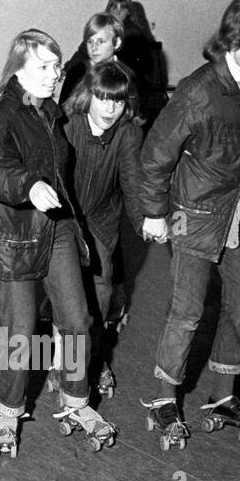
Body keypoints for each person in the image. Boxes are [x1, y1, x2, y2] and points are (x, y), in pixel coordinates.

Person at [0, 29, 117, 457]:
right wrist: (28, 184)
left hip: (56, 225)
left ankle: (76, 401)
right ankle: (8, 412)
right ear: (19, 69)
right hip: (14, 236)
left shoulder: (48, 109)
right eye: (45, 67)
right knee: (21, 330)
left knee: (77, 319)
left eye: (57, 66)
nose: (54, 75)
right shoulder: (3, 113)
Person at [138, 0, 240, 451]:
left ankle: (222, 396)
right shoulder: (197, 91)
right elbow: (155, 154)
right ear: (234, 40)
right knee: (187, 312)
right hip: (193, 216)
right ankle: (164, 398)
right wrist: (154, 213)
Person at [61, 60, 145, 398]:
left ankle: (93, 360)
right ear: (87, 96)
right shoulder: (68, 125)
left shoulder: (128, 133)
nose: (110, 108)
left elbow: (133, 184)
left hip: (100, 220)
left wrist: (147, 222)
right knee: (64, 295)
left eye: (119, 101)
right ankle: (64, 362)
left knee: (101, 286)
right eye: (103, 98)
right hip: (64, 217)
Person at [59, 13, 129, 109]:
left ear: (117, 43)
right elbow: (61, 113)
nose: (94, 48)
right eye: (90, 41)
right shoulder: (77, 72)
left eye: (101, 41)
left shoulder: (127, 75)